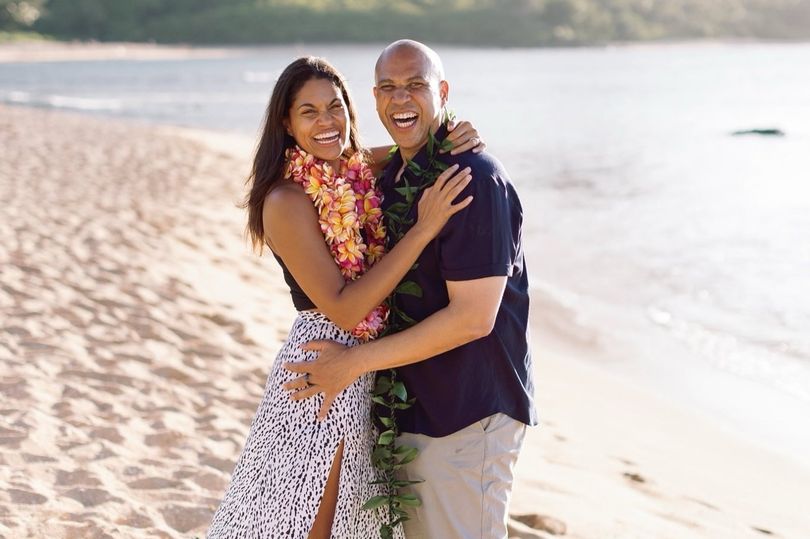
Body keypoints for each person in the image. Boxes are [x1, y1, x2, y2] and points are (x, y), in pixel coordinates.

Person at [207, 56, 484, 538]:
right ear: (286, 124)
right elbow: (344, 306)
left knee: (349, 522)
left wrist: (450, 135)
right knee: (305, 519)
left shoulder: (348, 172)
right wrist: (421, 232)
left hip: (364, 363)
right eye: (309, 112)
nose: (326, 122)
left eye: (335, 107)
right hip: (322, 365)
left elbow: (399, 152)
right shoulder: (286, 200)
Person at [285, 40, 537, 538]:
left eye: (416, 85)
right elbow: (339, 164)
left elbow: (473, 318)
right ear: (375, 100)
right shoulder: (392, 177)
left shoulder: (471, 180)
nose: (401, 100)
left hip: (468, 414)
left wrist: (352, 362)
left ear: (441, 91)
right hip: (412, 413)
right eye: (388, 88)